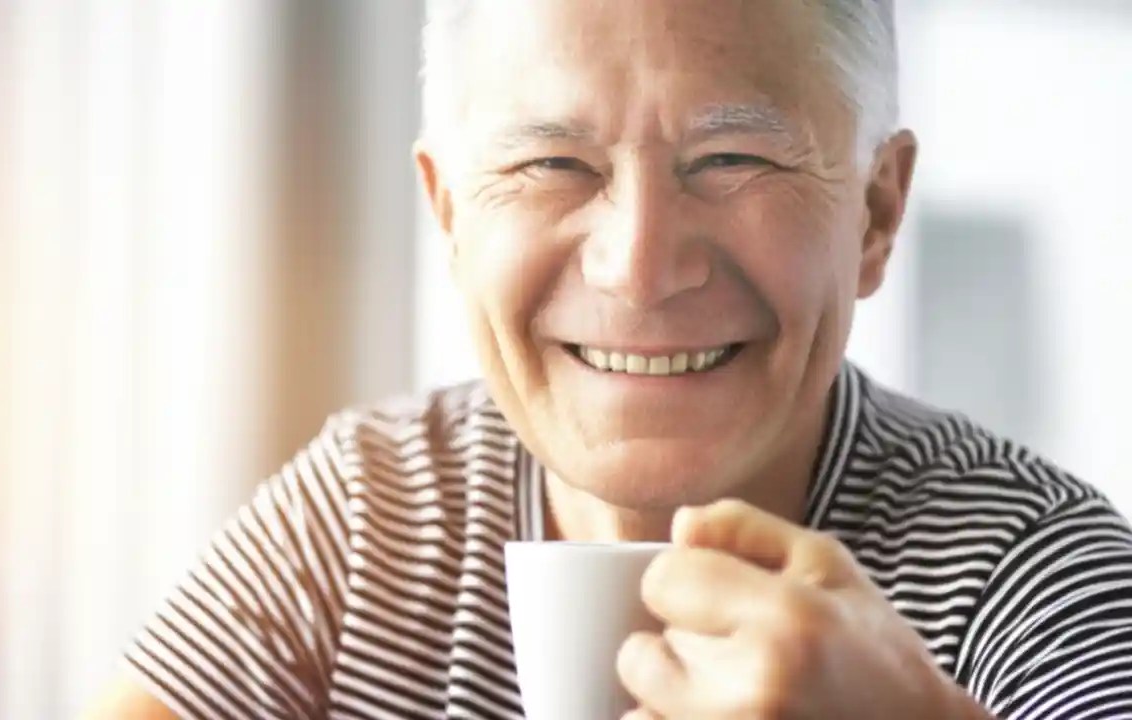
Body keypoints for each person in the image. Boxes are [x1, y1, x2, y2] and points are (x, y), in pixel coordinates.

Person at [82, 1, 1132, 718]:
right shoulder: (371, 516)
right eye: (551, 162)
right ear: (447, 213)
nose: (636, 266)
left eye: (731, 159)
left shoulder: (1033, 571)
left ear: (875, 210)